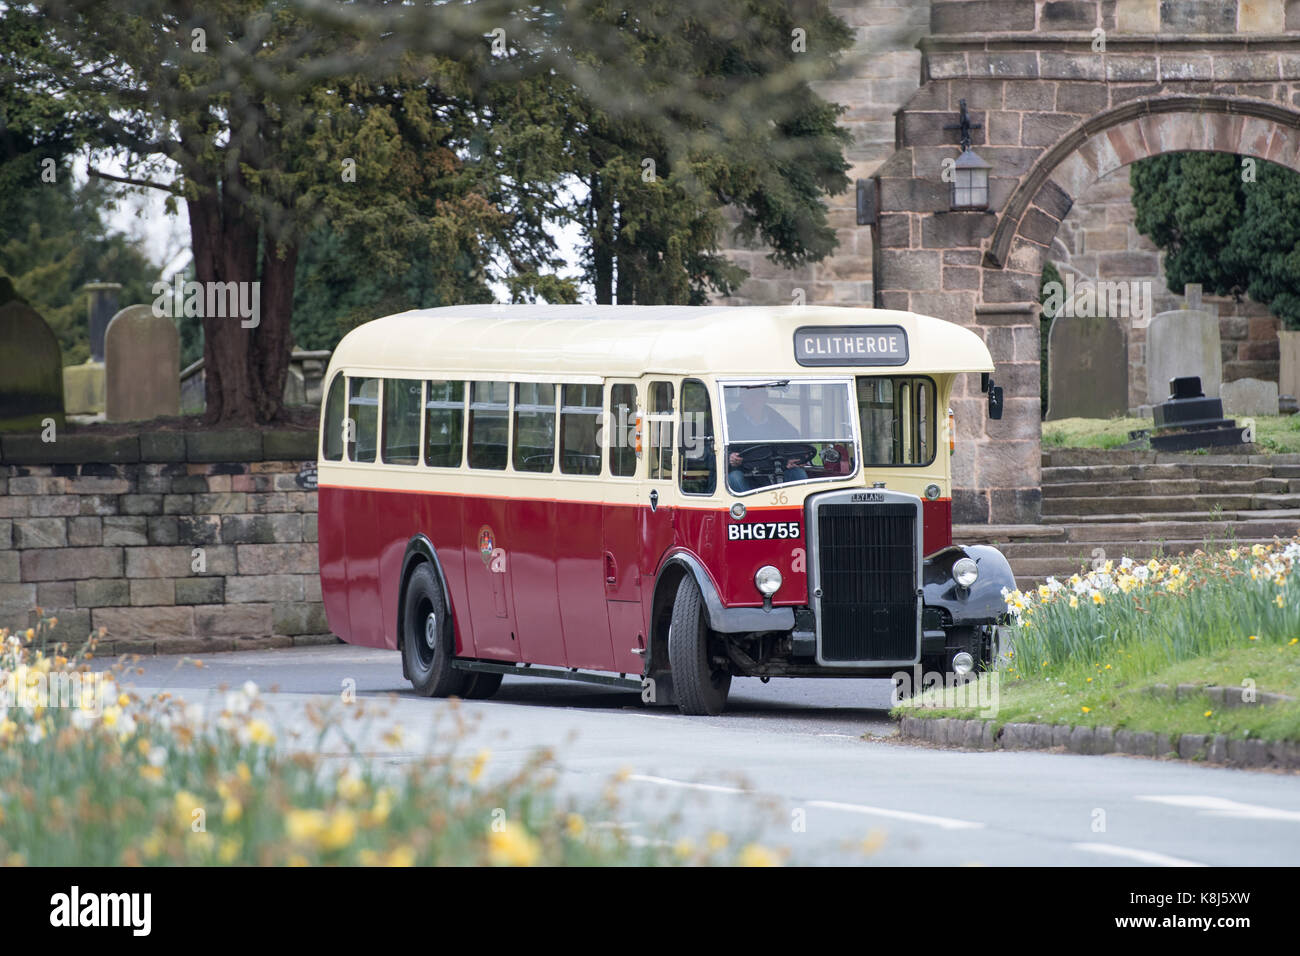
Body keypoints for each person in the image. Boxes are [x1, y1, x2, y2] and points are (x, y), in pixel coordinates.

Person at [726, 387, 809, 492]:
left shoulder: (777, 420)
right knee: (734, 478)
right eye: (749, 395)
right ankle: (748, 507)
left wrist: (795, 459)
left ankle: (799, 508)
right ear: (742, 397)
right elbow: (715, 449)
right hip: (746, 473)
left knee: (797, 474)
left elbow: (794, 443)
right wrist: (730, 457)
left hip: (775, 471)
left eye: (758, 395)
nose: (753, 400)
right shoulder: (730, 421)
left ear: (765, 397)